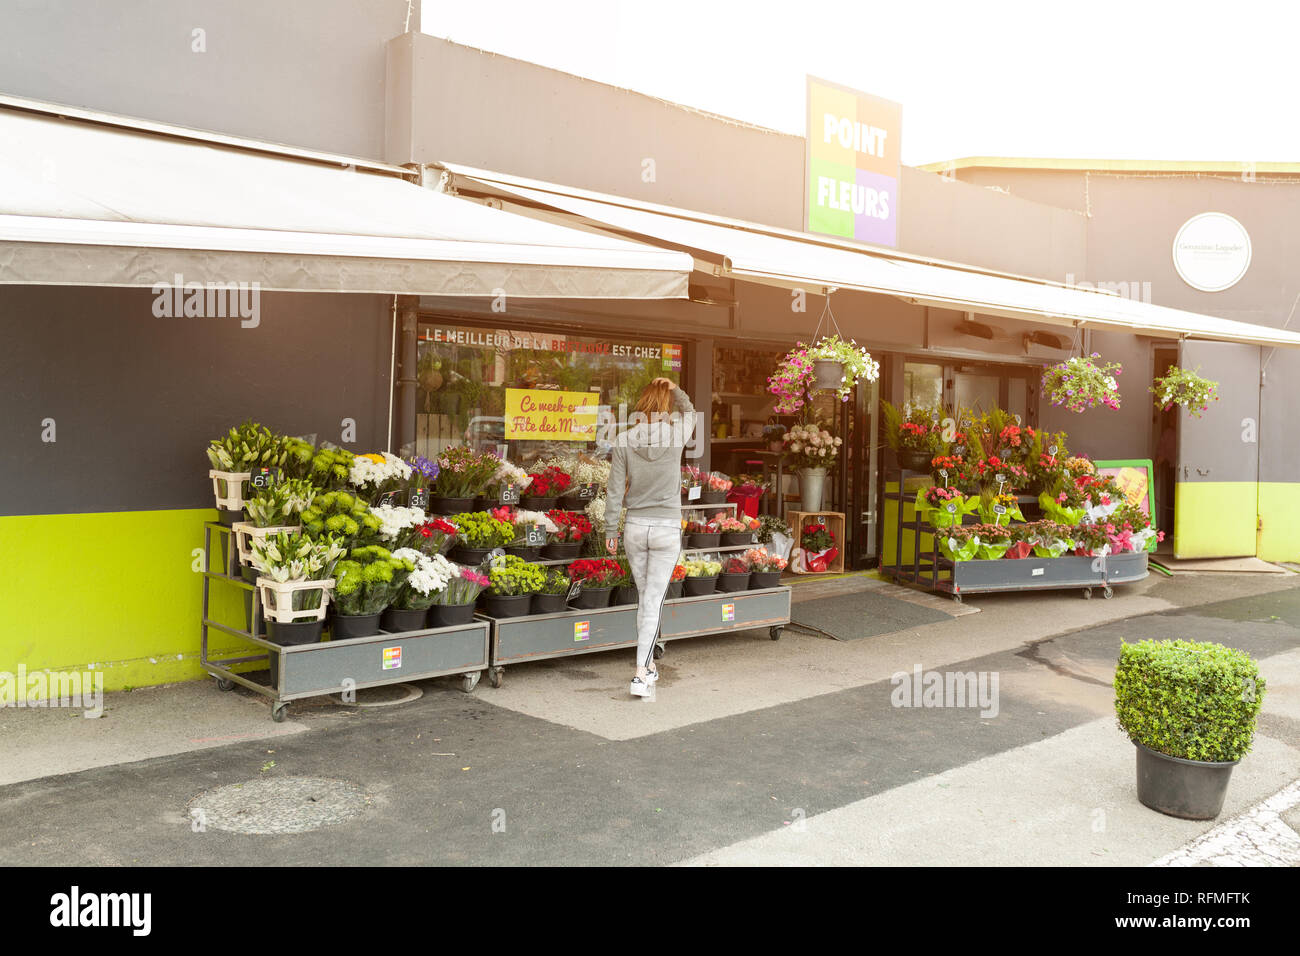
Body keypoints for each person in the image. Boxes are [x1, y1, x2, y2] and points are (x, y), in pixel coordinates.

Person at [604, 377, 695, 698]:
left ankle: (649, 666)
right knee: (652, 601)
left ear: (641, 404)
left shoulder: (624, 439)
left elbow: (615, 490)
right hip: (666, 528)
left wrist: (610, 529)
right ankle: (640, 673)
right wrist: (676, 390)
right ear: (666, 404)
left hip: (636, 528)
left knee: (647, 600)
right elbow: (691, 412)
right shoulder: (676, 434)